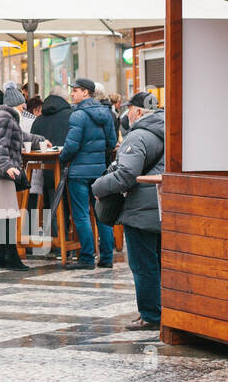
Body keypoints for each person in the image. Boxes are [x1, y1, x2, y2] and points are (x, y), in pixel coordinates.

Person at [92, 92, 164, 330]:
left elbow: (126, 175)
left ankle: (150, 315)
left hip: (141, 210)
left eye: (130, 108)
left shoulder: (138, 137)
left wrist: (98, 186)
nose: (127, 113)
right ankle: (165, 311)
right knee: (161, 263)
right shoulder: (172, 133)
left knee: (143, 265)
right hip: (165, 208)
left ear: (139, 112)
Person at [0, 84, 49, 270]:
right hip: (1, 175)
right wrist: (8, 167)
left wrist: (41, 140)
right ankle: (9, 257)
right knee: (5, 216)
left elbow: (22, 137)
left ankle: (4, 256)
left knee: (2, 216)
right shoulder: (5, 119)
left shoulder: (6, 118)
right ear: (15, 104)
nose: (24, 108)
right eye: (22, 104)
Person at [58, 77, 117, 270]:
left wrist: (63, 157)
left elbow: (72, 145)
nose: (72, 94)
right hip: (99, 171)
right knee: (101, 213)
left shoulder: (78, 115)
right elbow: (111, 142)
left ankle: (87, 257)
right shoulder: (105, 113)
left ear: (86, 92)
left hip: (79, 173)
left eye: (75, 90)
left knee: (82, 215)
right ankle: (107, 257)